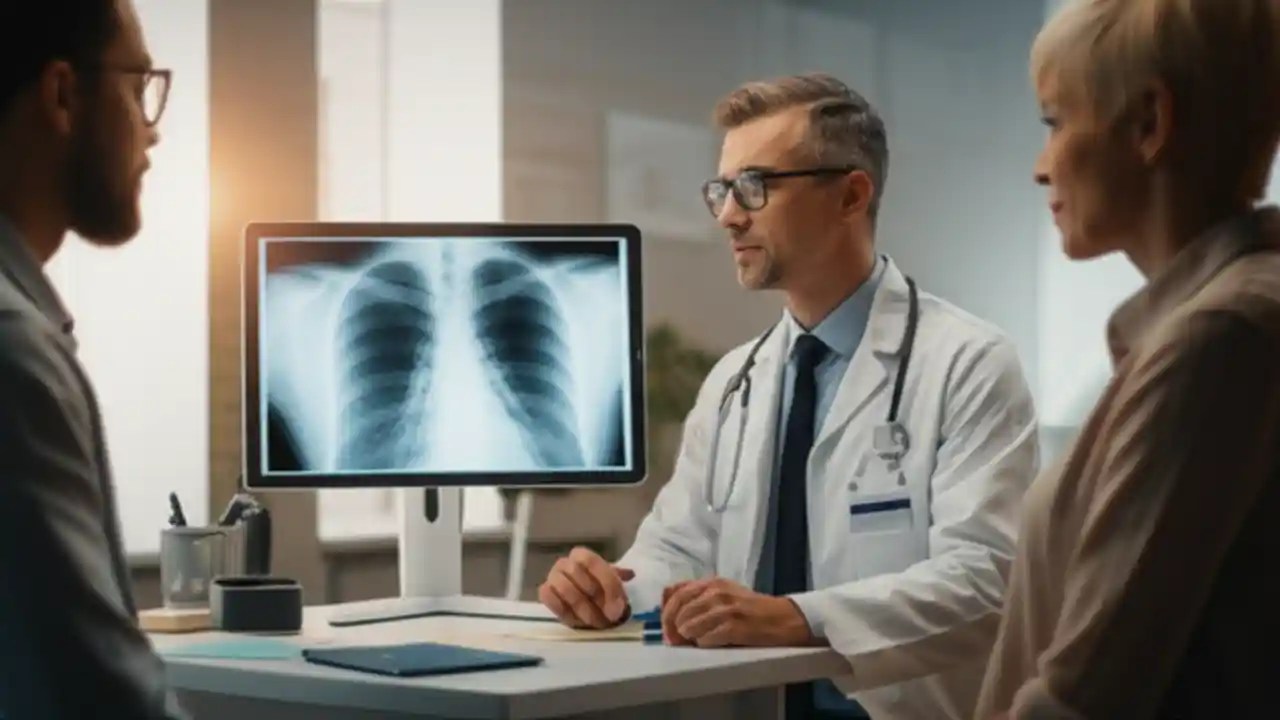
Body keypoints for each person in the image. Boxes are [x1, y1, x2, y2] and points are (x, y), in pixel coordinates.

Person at [539, 73, 1041, 720]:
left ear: (851, 196)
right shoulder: (732, 383)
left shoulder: (968, 364)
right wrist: (611, 590)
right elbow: (677, 550)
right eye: (721, 190)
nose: (728, 214)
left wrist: (795, 617)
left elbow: (984, 581)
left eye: (756, 185)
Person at [975, 0, 1280, 718]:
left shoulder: (1218, 338)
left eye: (1054, 123)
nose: (1040, 168)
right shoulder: (1215, 322)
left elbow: (1081, 699)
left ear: (1148, 124)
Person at [0, 1, 186, 717]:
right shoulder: (15, 359)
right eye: (137, 85)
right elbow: (95, 697)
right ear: (62, 95)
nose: (153, 128)